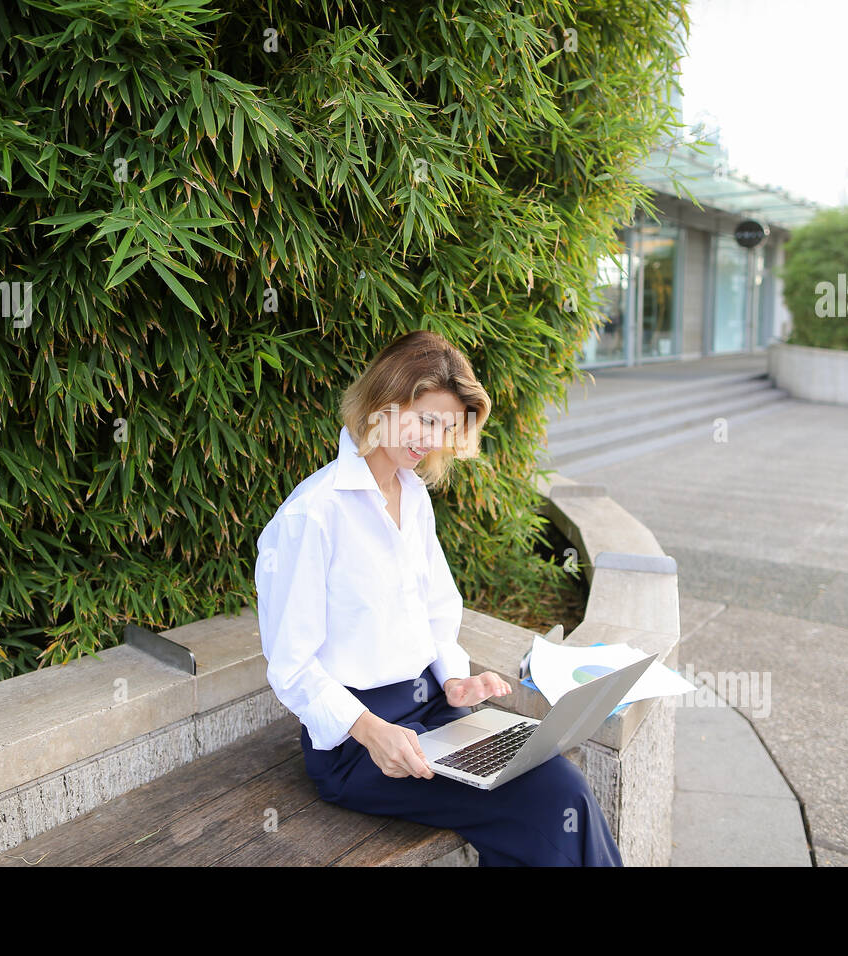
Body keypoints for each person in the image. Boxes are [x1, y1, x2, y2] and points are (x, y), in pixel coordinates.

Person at [253, 330, 625, 866]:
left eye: (446, 428)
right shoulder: (312, 516)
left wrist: (455, 679)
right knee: (546, 803)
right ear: (384, 403)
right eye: (426, 419)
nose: (433, 439)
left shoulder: (414, 495)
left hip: (431, 712)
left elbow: (436, 612)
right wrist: (371, 730)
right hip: (358, 745)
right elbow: (290, 665)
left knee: (558, 780)